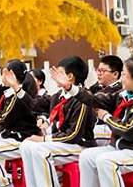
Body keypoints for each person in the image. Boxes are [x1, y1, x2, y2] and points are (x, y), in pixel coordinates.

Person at [66, 56, 133, 187]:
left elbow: (129, 130)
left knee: (106, 161)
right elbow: (95, 100)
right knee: (87, 156)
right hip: (122, 148)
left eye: (124, 74)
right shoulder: (124, 95)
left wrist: (106, 117)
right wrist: (70, 87)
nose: (121, 78)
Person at [20, 56, 97, 187]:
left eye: (59, 73)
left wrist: (44, 139)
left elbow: (74, 135)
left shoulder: (82, 98)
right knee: (26, 145)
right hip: (63, 143)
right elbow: (39, 108)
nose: (54, 76)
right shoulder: (57, 96)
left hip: (80, 145)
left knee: (40, 151)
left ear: (70, 76)